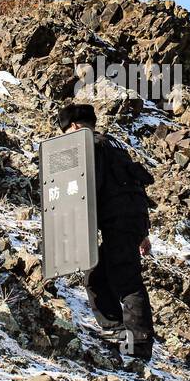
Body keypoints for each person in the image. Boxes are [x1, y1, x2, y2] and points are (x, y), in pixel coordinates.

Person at [56, 103, 155, 362]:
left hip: (119, 222)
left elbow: (89, 187)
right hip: (129, 221)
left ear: (75, 127)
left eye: (66, 132)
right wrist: (143, 231)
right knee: (96, 273)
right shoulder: (115, 145)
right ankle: (115, 328)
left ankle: (139, 341)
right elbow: (137, 190)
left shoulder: (92, 147)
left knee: (126, 278)